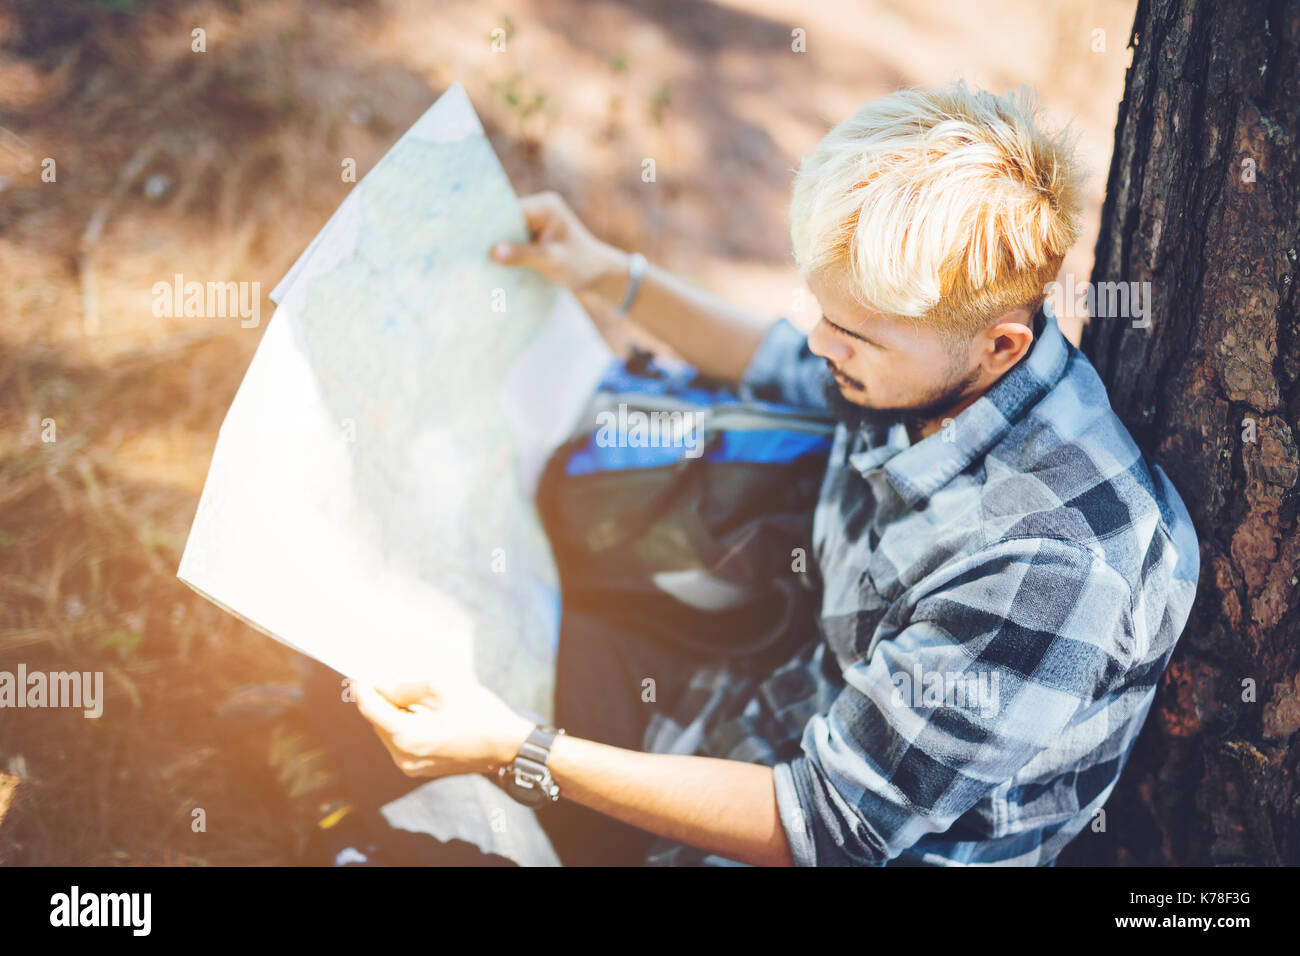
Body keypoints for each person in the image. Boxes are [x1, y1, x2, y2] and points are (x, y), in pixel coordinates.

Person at [354, 79, 1201, 866]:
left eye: (854, 337)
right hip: (752, 701)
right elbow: (782, 365)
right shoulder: (933, 360)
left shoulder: (1050, 568)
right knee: (393, 662)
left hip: (792, 826)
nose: (824, 346)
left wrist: (521, 748)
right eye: (824, 316)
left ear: (1001, 346)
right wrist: (605, 272)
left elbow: (823, 826)